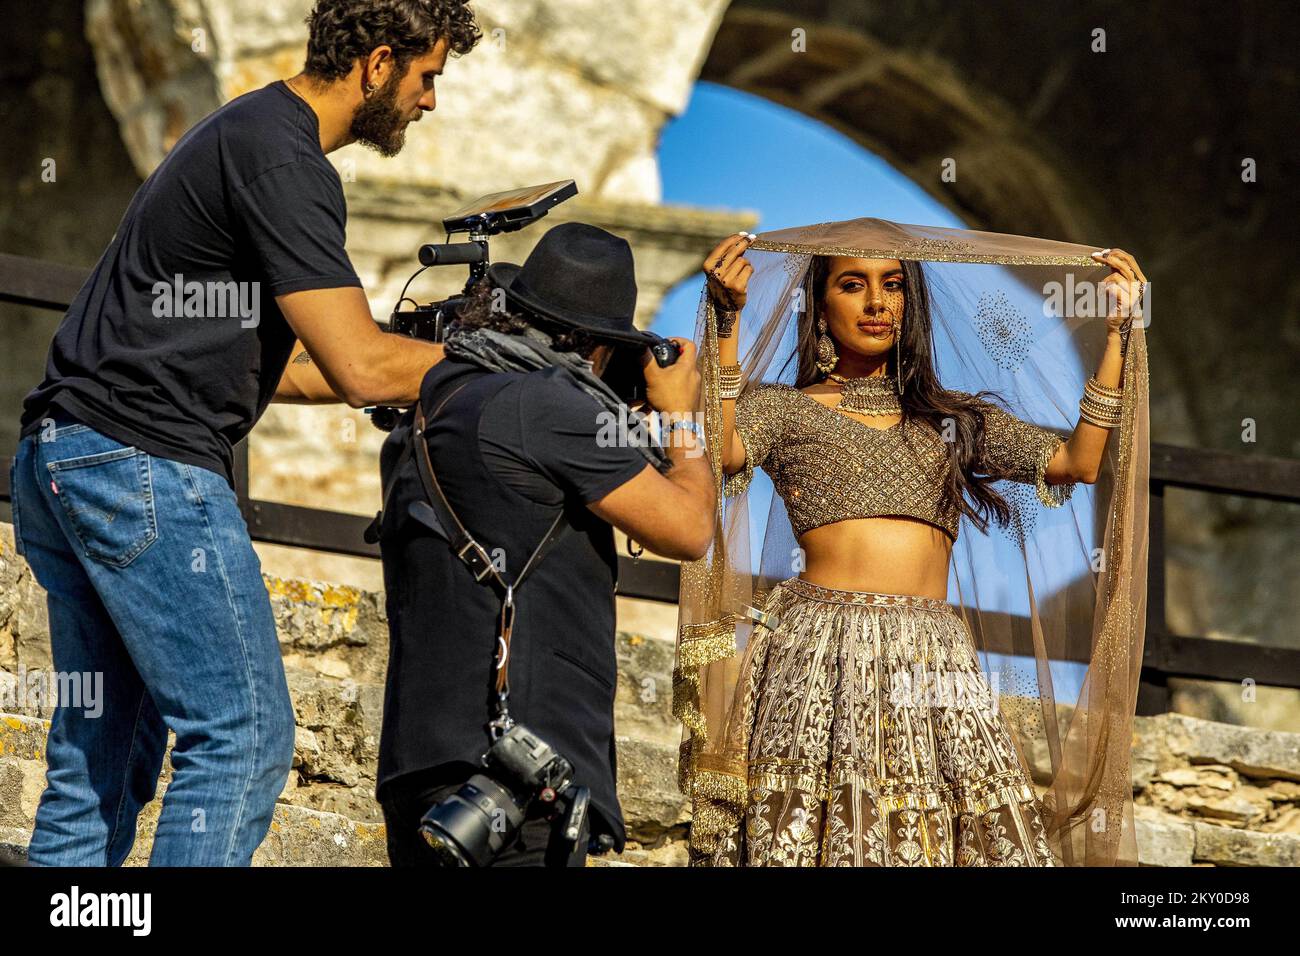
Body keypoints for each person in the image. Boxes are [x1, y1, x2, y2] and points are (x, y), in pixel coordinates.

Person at [7, 0, 481, 866]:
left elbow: (304, 367)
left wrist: (410, 364)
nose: (430, 102)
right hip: (138, 465)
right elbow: (364, 367)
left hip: (70, 455)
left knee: (99, 762)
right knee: (244, 736)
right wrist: (498, 365)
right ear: (378, 64)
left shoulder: (241, 132)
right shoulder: (287, 160)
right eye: (428, 78)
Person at [674, 220, 1150, 866]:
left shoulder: (950, 423)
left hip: (934, 663)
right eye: (853, 284)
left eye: (892, 285)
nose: (877, 303)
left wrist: (1119, 335)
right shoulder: (785, 411)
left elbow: (1076, 461)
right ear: (819, 305)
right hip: (819, 654)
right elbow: (723, 450)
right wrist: (726, 325)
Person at [375, 222, 715, 866]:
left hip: (421, 763)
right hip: (519, 765)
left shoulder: (436, 404)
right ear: (598, 350)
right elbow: (689, 529)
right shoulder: (548, 407)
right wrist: (682, 419)